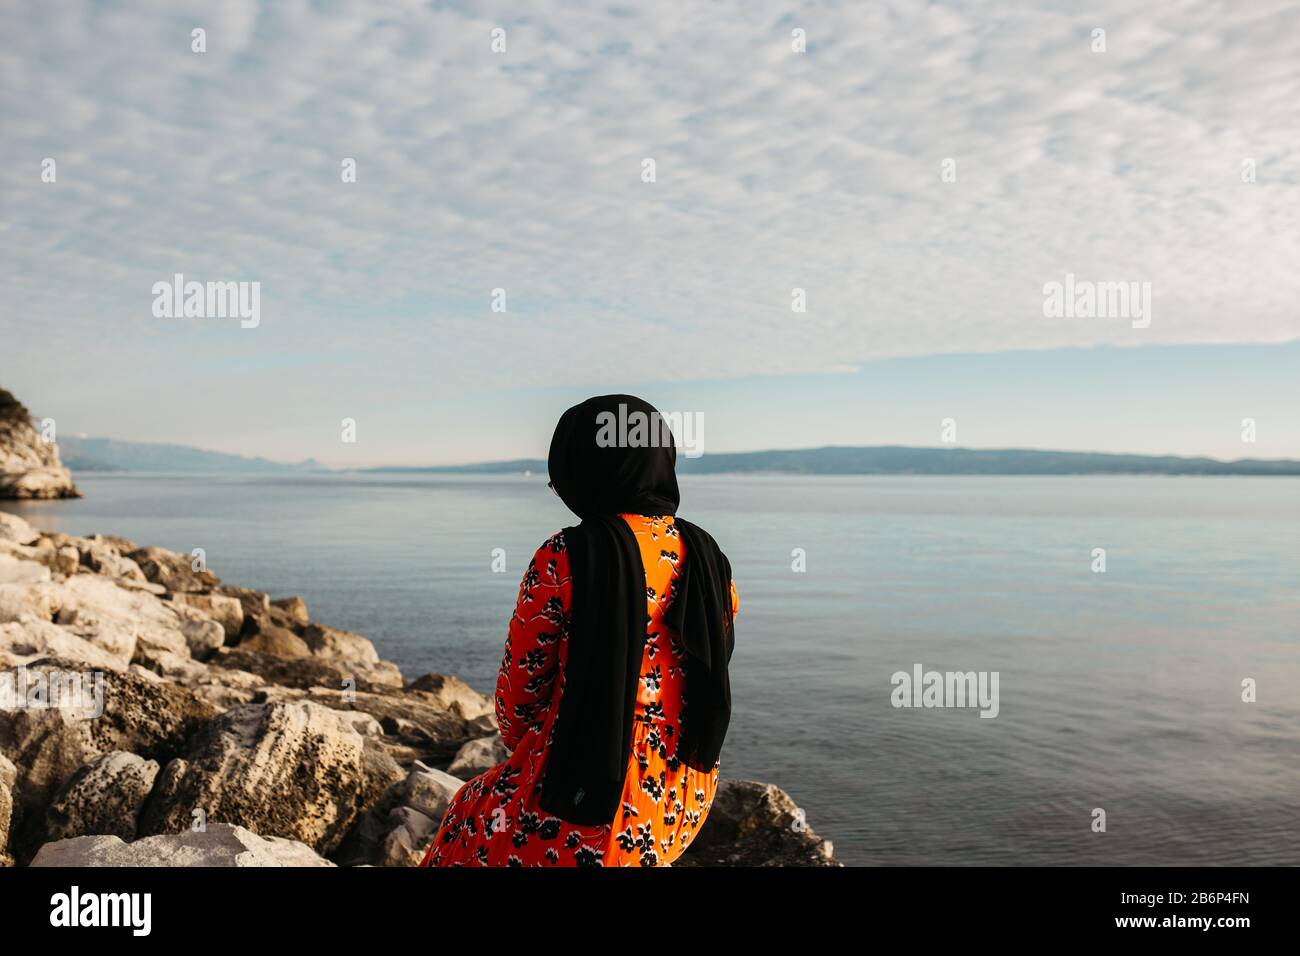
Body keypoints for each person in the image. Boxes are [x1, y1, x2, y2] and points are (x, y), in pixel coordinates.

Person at [420, 394, 738, 866]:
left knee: (470, 814)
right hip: (682, 796)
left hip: (585, 803)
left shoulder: (567, 555)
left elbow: (518, 701)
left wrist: (532, 749)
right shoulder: (710, 558)